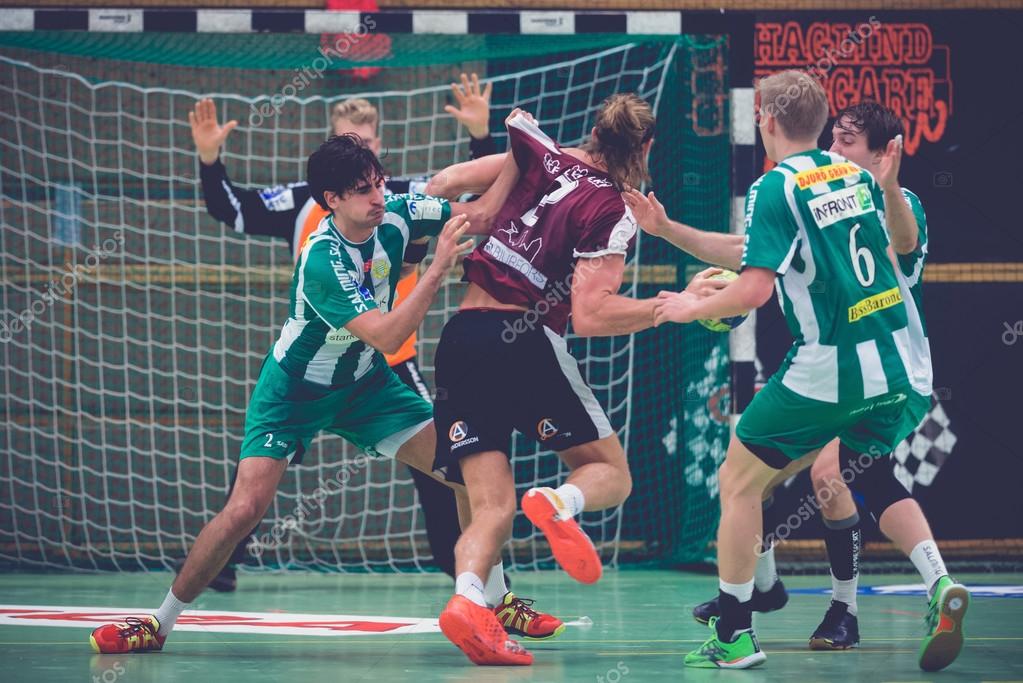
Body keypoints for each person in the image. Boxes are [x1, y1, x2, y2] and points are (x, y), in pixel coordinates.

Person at [89, 132, 517, 655]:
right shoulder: (323, 258)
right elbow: (386, 335)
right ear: (331, 200)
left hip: (365, 385)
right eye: (363, 190)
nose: (378, 197)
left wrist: (525, 152)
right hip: (295, 391)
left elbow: (486, 211)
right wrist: (436, 266)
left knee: (464, 471)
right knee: (244, 509)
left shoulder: (400, 212)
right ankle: (158, 622)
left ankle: (489, 607)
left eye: (379, 183)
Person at [639, 70, 966, 671]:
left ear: (762, 117)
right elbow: (754, 251)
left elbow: (755, 288)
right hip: (903, 371)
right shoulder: (861, 183)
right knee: (832, 474)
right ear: (822, 127)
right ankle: (769, 589)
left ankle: (737, 630)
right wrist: (667, 231)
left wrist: (691, 306)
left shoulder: (777, 187)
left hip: (829, 369)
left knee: (738, 481)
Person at [428, 95, 725, 665]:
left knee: (490, 505)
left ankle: (469, 599)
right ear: (645, 147)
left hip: (461, 338)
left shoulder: (537, 148)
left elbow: (451, 180)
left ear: (595, 131)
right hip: (525, 340)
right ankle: (560, 502)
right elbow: (590, 315)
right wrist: (674, 304)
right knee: (612, 473)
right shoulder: (612, 209)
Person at [185, 75, 496, 591]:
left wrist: (486, 139)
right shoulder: (306, 210)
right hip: (319, 358)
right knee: (250, 491)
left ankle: (466, 575)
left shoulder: (391, 201)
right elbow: (229, 208)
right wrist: (209, 160)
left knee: (449, 463)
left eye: (369, 145)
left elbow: (475, 204)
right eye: (350, 141)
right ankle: (211, 570)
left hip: (386, 359)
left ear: (380, 148)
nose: (363, 157)